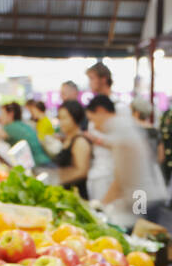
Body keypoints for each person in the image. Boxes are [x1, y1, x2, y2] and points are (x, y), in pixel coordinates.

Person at [86, 94, 166, 229]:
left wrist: (99, 206)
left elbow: (120, 180)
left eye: (92, 119)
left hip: (141, 197)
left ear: (100, 111)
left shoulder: (120, 129)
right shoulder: (122, 125)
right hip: (141, 195)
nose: (94, 125)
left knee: (141, 239)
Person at [54, 100, 93, 199]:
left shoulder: (80, 141)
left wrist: (55, 177)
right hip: (65, 194)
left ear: (75, 118)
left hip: (76, 198)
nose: (61, 122)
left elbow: (82, 171)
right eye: (60, 118)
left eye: (64, 118)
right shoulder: (68, 139)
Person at [0, 102, 50, 166]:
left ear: (11, 114)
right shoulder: (21, 124)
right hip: (44, 161)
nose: (0, 117)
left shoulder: (11, 127)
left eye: (2, 113)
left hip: (38, 164)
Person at [131, 97, 163, 174]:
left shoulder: (132, 130)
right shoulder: (155, 131)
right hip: (152, 172)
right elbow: (161, 157)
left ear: (136, 113)